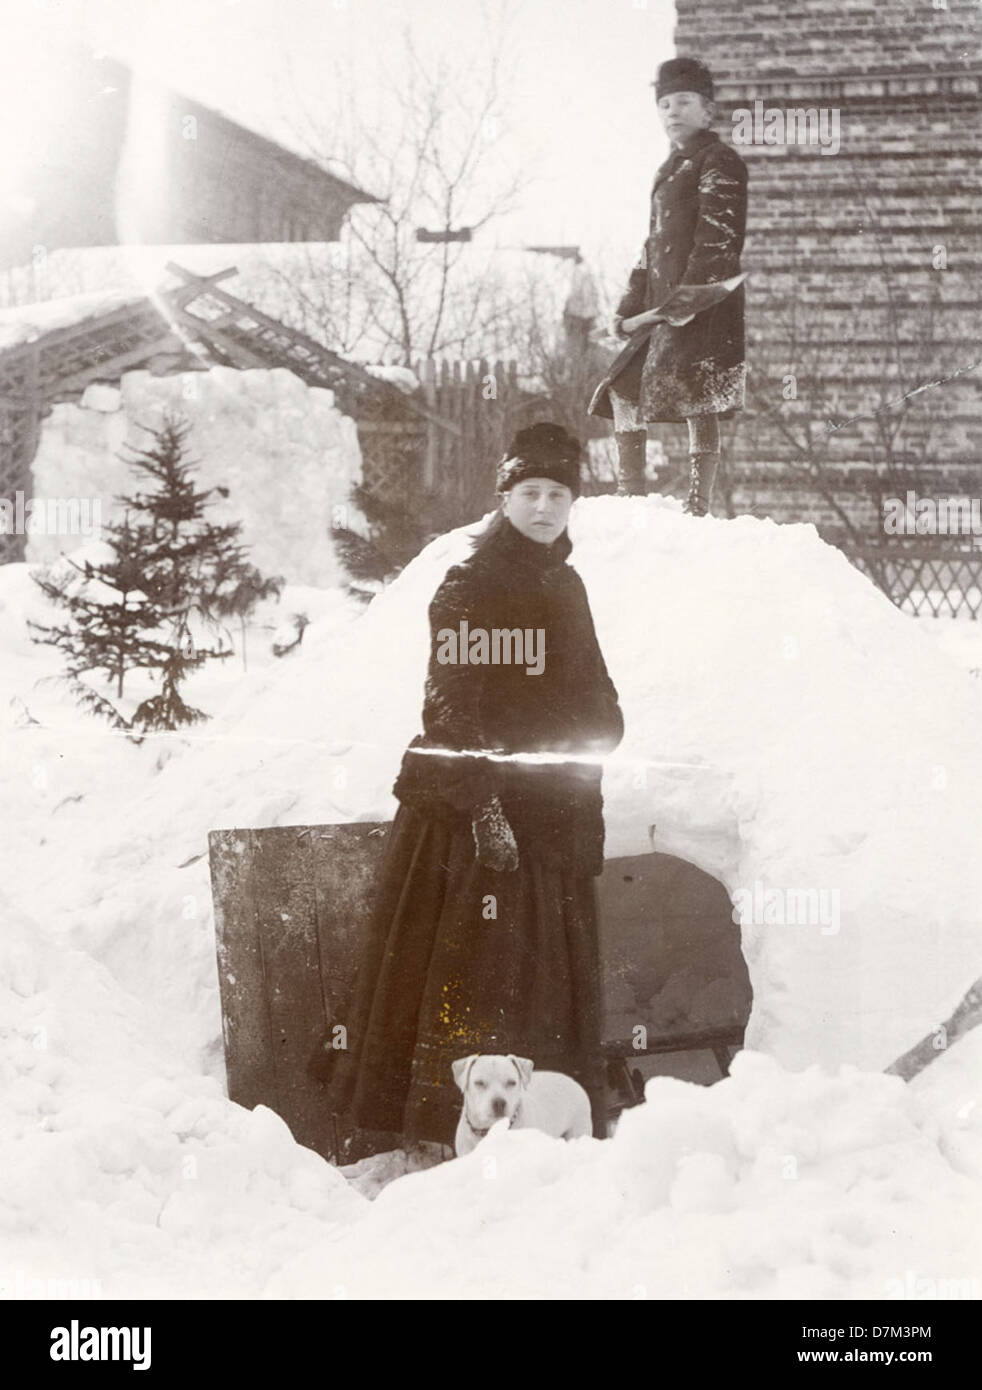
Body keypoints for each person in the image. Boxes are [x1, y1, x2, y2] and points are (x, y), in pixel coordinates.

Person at [316, 422, 624, 1148]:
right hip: (477, 816)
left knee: (540, 971)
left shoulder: (565, 582)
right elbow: (450, 705)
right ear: (505, 498)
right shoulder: (470, 584)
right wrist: (486, 807)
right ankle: (440, 1133)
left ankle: (545, 1129)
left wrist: (598, 729)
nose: (544, 507)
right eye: (530, 493)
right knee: (477, 969)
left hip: (552, 807)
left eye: (558, 494)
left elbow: (595, 691)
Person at [591, 56, 748, 515]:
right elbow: (652, 245)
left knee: (699, 398)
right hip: (661, 310)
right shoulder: (670, 169)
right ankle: (631, 495)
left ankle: (698, 504)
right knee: (623, 388)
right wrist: (627, 307)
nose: (672, 112)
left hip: (704, 306)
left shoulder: (719, 161)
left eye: (683, 102)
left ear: (708, 111)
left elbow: (716, 238)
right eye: (664, 104)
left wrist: (687, 302)